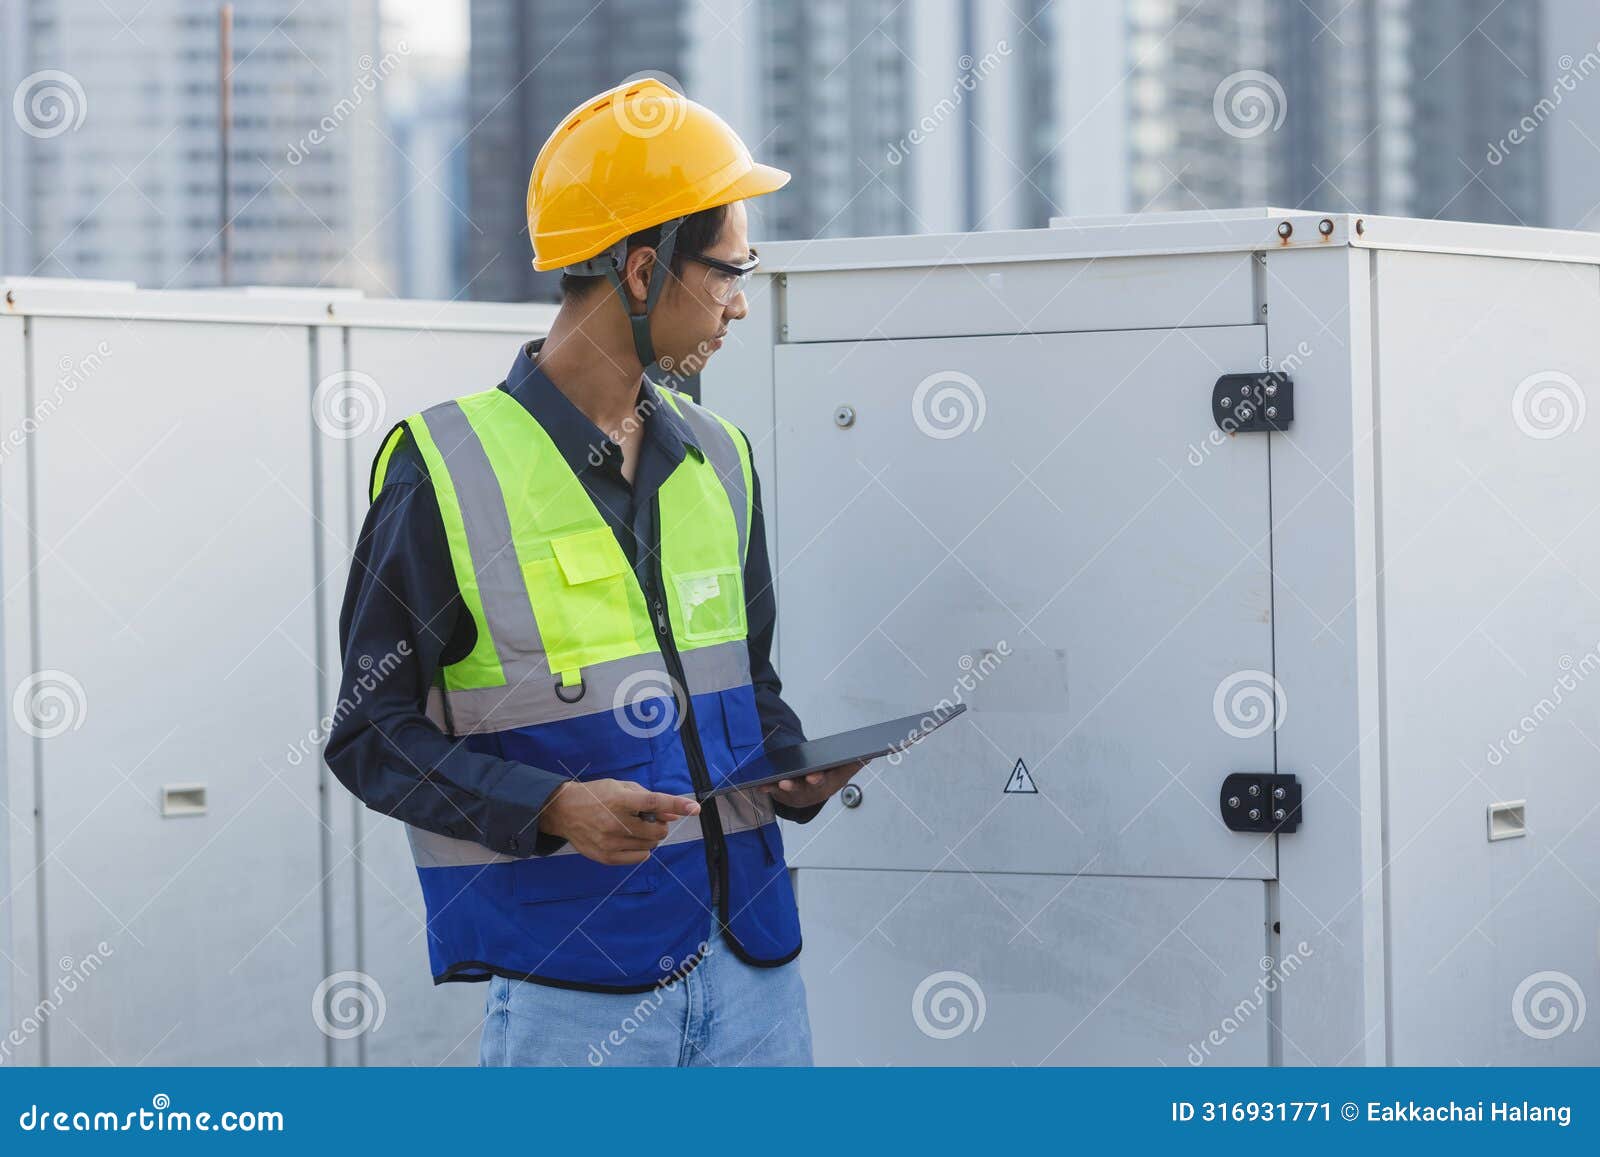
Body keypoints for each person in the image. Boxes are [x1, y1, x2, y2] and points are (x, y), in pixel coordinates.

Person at [324, 77, 864, 1067]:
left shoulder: (722, 457)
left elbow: (751, 687)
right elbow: (369, 735)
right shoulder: (445, 470)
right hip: (572, 989)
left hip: (754, 968)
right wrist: (548, 806)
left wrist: (798, 771)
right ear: (644, 268)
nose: (740, 303)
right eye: (727, 272)